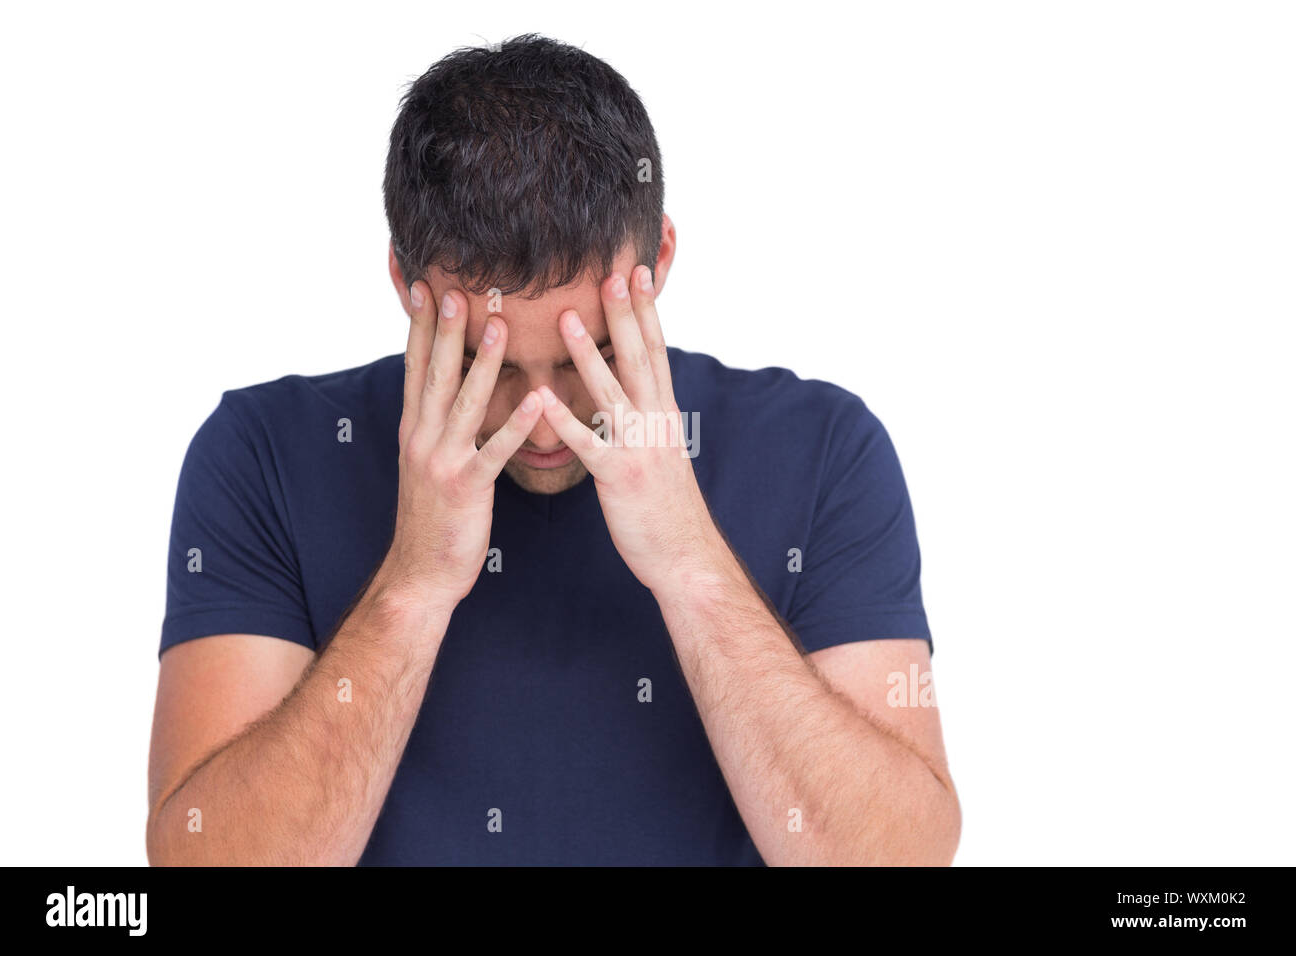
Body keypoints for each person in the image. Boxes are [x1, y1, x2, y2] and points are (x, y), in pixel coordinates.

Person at [146, 34, 960, 866]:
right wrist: (414, 586)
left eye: (590, 359)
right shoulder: (263, 454)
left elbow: (899, 857)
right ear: (402, 279)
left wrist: (691, 566)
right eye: (482, 364)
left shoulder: (823, 449)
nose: (540, 426)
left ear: (661, 259)